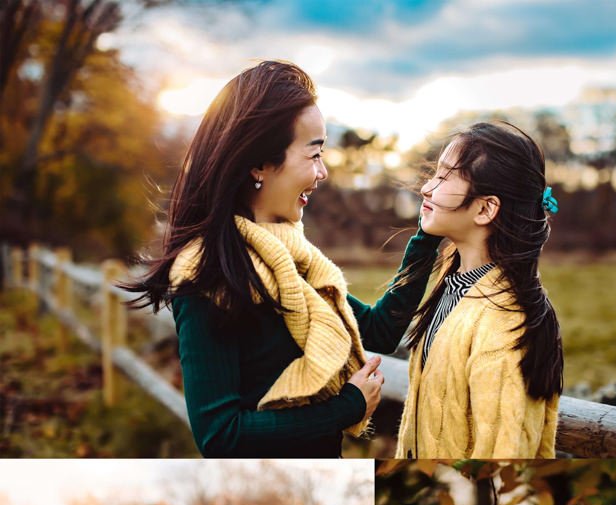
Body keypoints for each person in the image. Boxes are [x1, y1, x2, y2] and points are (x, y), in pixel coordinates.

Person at [124, 60, 439, 457]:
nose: (323, 172)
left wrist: (426, 240)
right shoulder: (208, 276)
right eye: (314, 154)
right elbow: (220, 435)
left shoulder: (294, 261)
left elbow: (377, 332)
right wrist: (347, 407)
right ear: (258, 163)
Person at [372, 122, 563, 457]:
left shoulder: (502, 324)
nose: (427, 189)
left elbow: (505, 459)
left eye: (445, 177)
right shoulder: (455, 287)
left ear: (485, 209)